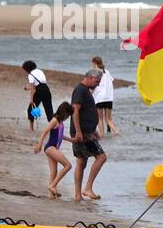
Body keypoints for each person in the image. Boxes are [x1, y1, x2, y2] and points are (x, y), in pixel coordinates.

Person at [70, 70, 106, 202]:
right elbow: (75, 111)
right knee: (101, 157)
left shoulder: (85, 90)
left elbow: (86, 112)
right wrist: (78, 131)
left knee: (81, 162)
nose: (97, 85)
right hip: (83, 133)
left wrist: (93, 129)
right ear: (90, 78)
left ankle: (78, 195)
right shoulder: (80, 90)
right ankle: (88, 188)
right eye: (97, 82)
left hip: (87, 131)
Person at [33, 103, 74, 198]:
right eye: (67, 115)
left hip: (52, 148)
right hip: (50, 147)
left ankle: (51, 196)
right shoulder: (55, 120)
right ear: (64, 112)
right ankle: (52, 186)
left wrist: (71, 140)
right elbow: (45, 131)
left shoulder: (60, 123)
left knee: (54, 172)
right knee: (68, 165)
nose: (68, 117)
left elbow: (60, 136)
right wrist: (39, 144)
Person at [91, 56, 119, 137]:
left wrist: (90, 93)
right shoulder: (107, 72)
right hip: (109, 98)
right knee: (108, 119)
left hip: (100, 99)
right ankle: (116, 132)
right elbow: (111, 81)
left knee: (100, 119)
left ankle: (102, 135)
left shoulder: (95, 73)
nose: (92, 66)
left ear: (95, 64)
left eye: (92, 64)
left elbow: (94, 86)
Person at [21, 60, 53, 131]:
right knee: (49, 110)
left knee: (30, 109)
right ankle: (54, 128)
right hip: (46, 90)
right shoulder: (40, 71)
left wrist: (31, 99)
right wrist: (27, 88)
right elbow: (40, 84)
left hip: (38, 91)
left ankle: (31, 128)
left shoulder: (30, 75)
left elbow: (33, 88)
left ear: (27, 68)